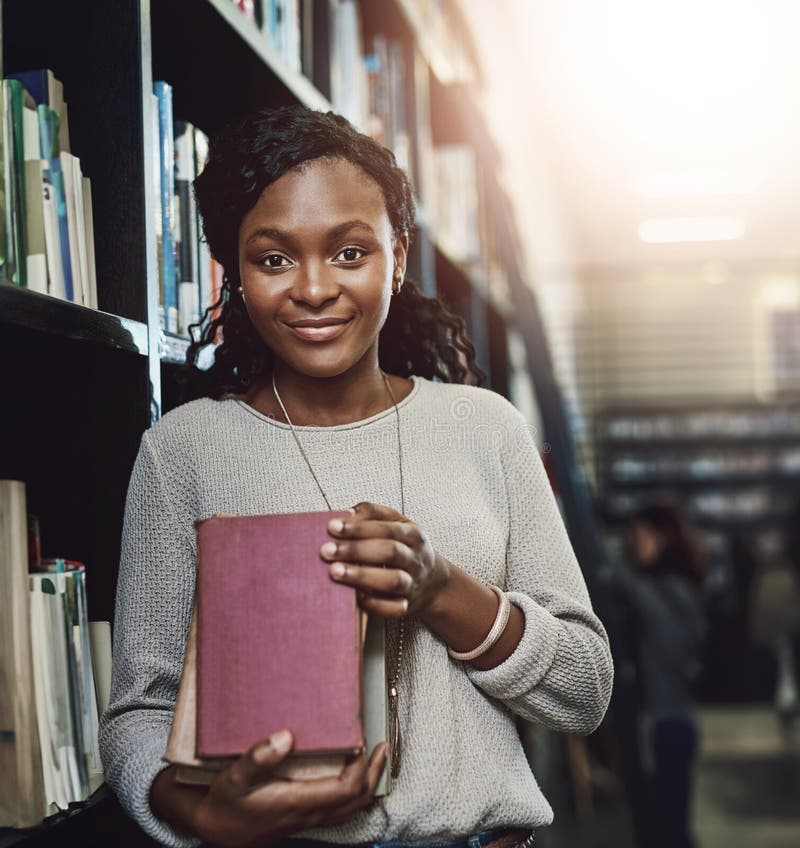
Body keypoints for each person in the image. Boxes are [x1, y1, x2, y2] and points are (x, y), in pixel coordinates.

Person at [98, 105, 613, 848]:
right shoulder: (185, 452)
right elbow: (137, 714)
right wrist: (198, 811)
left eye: (349, 253)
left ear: (398, 257)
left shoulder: (485, 427)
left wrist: (442, 590)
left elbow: (585, 690)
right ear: (234, 272)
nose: (313, 289)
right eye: (274, 259)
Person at [613, 502, 706, 848]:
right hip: (662, 721)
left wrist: (619, 575)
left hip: (670, 724)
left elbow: (669, 642)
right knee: (662, 825)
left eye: (642, 536)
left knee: (670, 828)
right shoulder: (658, 586)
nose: (636, 544)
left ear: (664, 537)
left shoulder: (675, 588)